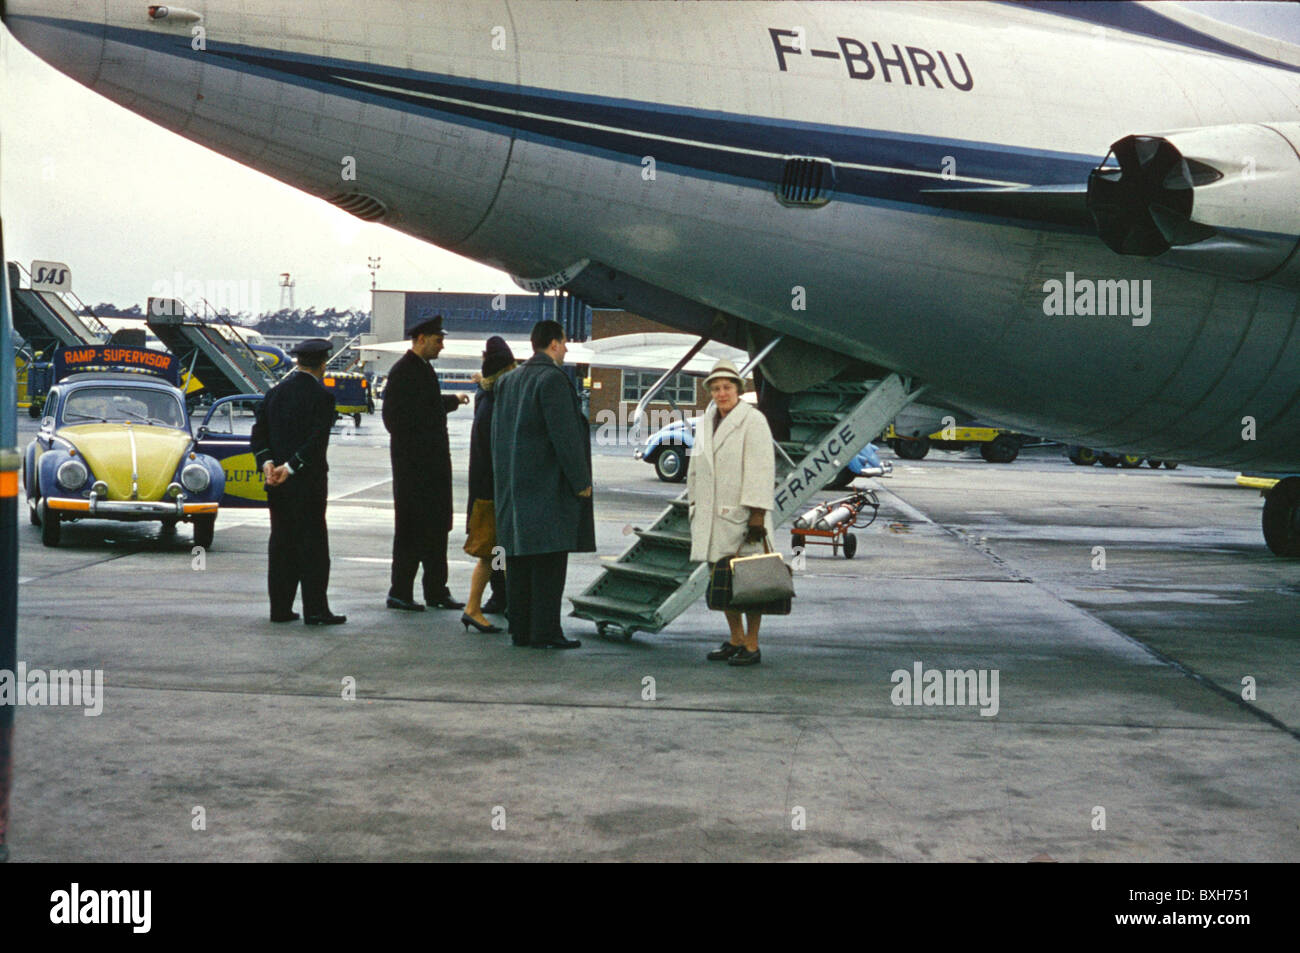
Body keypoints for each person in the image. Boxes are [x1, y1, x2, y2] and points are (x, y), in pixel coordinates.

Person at [491, 320, 594, 649]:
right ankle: (546, 631)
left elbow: (497, 437)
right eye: (564, 343)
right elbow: (565, 437)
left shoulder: (508, 381)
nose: (565, 349)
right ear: (553, 343)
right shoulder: (552, 380)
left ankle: (521, 629)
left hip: (514, 492)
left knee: (519, 563)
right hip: (547, 491)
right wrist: (581, 482)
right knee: (549, 565)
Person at [250, 338, 346, 625]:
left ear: (298, 362)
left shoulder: (275, 393)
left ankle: (280, 609)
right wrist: (290, 468)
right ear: (323, 364)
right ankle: (315, 610)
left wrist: (268, 464)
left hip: (276, 485)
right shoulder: (323, 397)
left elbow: (259, 434)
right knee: (313, 546)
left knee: (281, 543)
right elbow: (317, 441)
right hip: (307, 483)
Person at [687, 359, 775, 666]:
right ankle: (735, 638)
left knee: (750, 583)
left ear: (738, 389)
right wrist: (694, 505)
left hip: (743, 518)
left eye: (727, 387)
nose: (721, 393)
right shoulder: (704, 422)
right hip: (711, 517)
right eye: (715, 388)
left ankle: (752, 644)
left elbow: (762, 471)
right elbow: (695, 469)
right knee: (721, 580)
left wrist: (757, 517)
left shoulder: (753, 421)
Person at [382, 314, 470, 613]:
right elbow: (394, 420)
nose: (442, 345)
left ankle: (436, 590)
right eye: (438, 340)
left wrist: (453, 400)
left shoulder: (422, 370)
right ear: (421, 339)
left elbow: (427, 405)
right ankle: (400, 591)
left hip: (431, 470)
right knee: (411, 531)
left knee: (435, 530)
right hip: (414, 471)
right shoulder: (403, 371)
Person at [462, 336, 517, 633]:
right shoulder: (496, 403)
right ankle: (473, 608)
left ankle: (504, 602)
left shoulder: (484, 396)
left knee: (497, 553)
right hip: (492, 491)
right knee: (490, 554)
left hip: (483, 488)